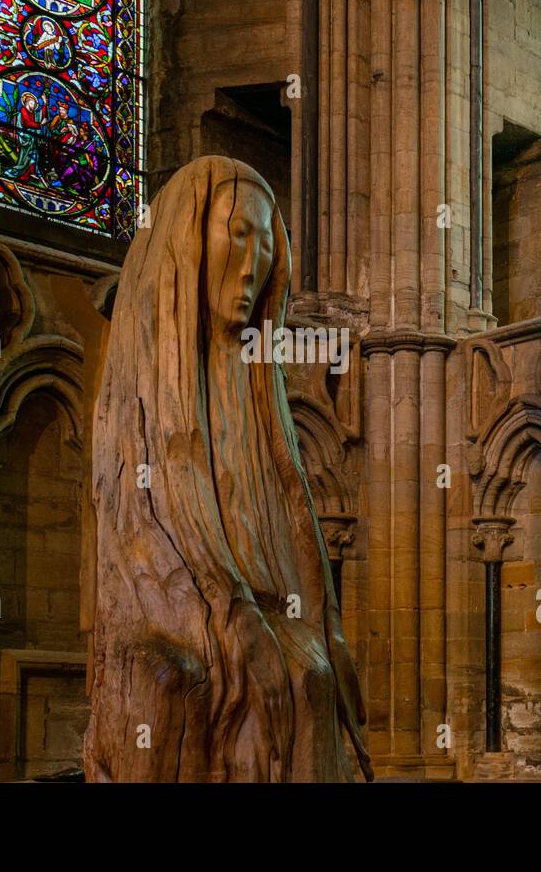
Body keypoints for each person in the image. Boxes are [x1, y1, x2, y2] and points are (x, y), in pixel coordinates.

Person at [84, 157, 372, 782]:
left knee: (313, 673)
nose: (252, 263)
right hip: (169, 617)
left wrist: (323, 625)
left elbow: (285, 519)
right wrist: (224, 614)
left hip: (246, 610)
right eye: (237, 234)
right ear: (187, 244)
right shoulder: (140, 385)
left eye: (266, 244)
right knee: (179, 681)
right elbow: (137, 540)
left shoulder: (253, 392)